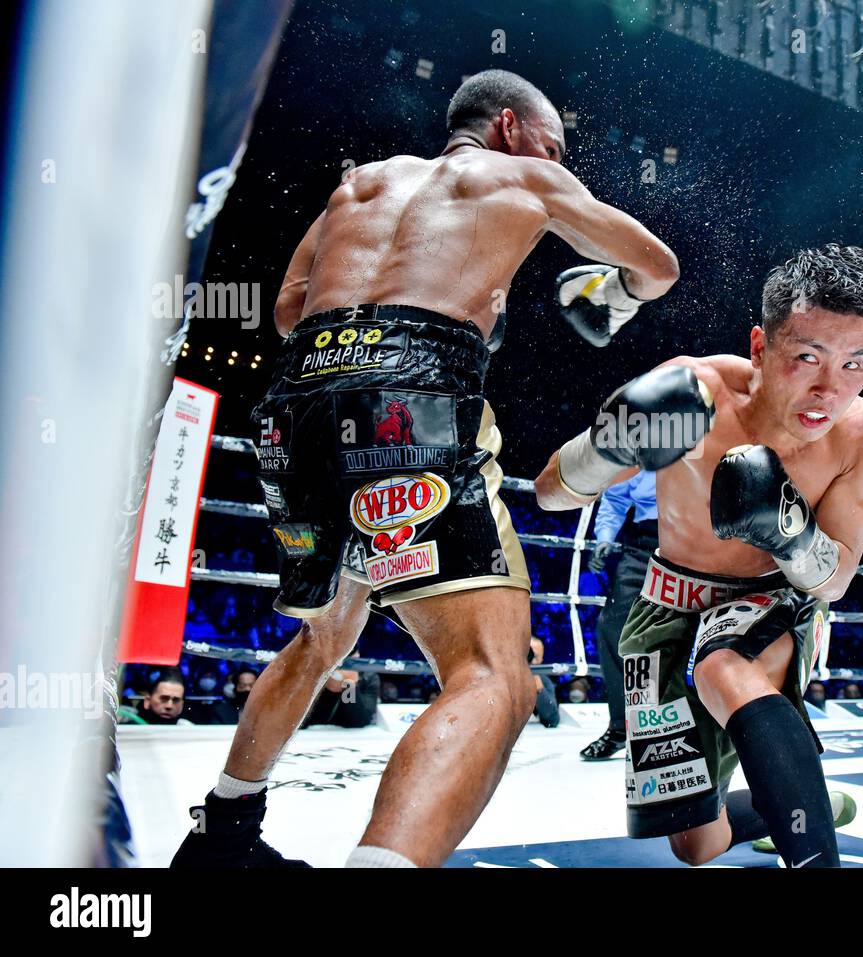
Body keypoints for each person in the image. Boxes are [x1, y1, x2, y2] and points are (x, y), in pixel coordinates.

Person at [172, 69, 678, 869]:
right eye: (555, 141)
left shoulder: (360, 186)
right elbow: (659, 265)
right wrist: (608, 295)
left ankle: (222, 834)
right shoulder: (527, 174)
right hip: (411, 396)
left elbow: (286, 307)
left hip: (300, 400)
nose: (561, 157)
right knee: (495, 675)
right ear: (510, 126)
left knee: (324, 634)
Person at [536, 243, 863, 867]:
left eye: (853, 365)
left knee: (721, 665)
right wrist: (608, 443)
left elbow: (836, 578)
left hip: (773, 600)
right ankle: (794, 794)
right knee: (695, 848)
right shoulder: (695, 395)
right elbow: (549, 495)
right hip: (664, 608)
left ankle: (814, 854)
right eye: (807, 357)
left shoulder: (861, 431)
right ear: (760, 347)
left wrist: (793, 536)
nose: (827, 389)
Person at [581, 472, 659, 760]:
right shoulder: (643, 441)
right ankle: (621, 727)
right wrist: (605, 537)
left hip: (699, 536)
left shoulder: (712, 434)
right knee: (614, 625)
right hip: (643, 542)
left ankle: (675, 728)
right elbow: (615, 498)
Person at [530, 637, 560, 728]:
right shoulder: (500, 677)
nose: (530, 659)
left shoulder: (544, 681)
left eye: (536, 657)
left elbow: (552, 720)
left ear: (541, 660)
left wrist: (539, 689)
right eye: (528, 654)